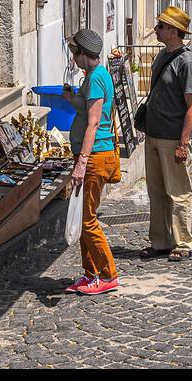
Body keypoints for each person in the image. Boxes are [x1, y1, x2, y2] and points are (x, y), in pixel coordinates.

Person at [64, 29, 120, 295]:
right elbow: (86, 108)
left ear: (85, 55)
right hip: (92, 155)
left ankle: (108, 275)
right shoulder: (92, 77)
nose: (73, 58)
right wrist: (71, 98)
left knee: (88, 221)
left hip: (96, 155)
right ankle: (90, 275)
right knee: (85, 218)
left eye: (75, 53)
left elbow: (95, 121)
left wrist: (81, 163)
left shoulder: (97, 79)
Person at [142, 6, 192, 261]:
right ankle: (160, 241)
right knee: (156, 191)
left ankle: (183, 242)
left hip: (172, 137)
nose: (157, 30)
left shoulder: (186, 61)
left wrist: (183, 143)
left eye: (162, 26)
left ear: (175, 31)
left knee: (177, 191)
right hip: (153, 133)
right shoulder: (162, 55)